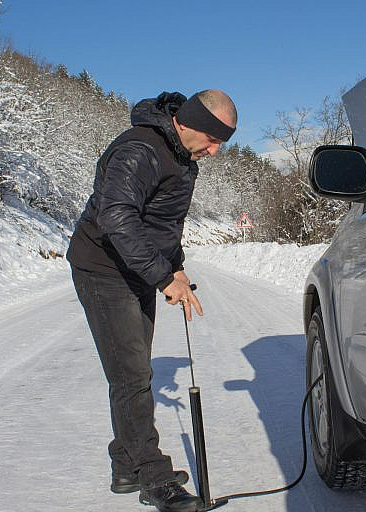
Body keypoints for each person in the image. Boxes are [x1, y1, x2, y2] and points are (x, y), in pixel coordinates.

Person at [67, 90, 237, 512]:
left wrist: (174, 265)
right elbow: (117, 217)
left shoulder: (183, 155)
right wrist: (162, 276)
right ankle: (153, 477)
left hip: (136, 267)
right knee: (132, 375)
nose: (215, 152)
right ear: (190, 122)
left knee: (134, 367)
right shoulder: (140, 149)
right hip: (104, 268)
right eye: (214, 140)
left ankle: (126, 465)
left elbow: (162, 220)